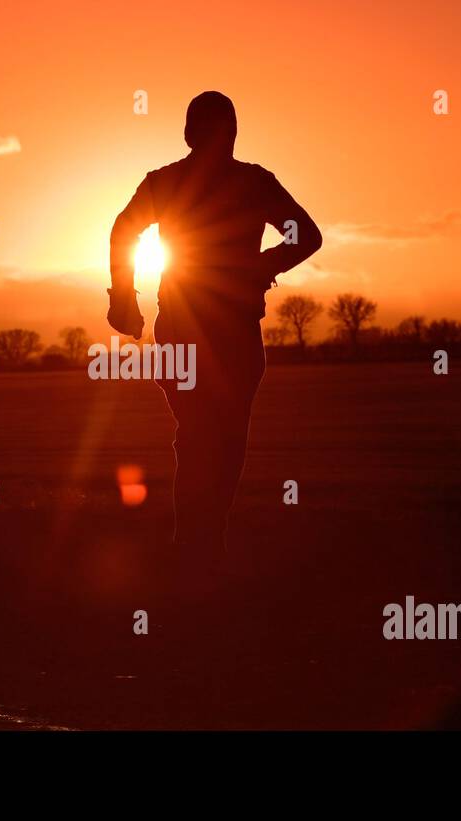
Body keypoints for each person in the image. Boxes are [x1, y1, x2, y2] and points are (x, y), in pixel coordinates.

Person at [108, 91, 322, 579]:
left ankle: (196, 546)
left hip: (187, 325)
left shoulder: (166, 182)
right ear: (232, 133)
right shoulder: (252, 183)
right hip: (227, 327)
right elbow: (306, 236)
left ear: (189, 133)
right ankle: (203, 546)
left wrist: (124, 297)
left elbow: (124, 230)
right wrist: (259, 267)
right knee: (222, 440)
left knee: (200, 437)